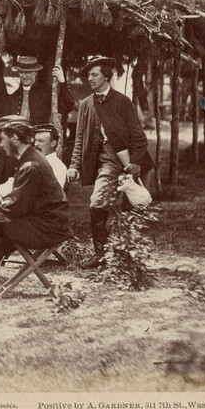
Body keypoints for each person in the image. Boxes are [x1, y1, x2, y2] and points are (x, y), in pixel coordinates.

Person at [0, 116, 72, 300]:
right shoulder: (28, 159)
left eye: (3, 139)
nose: (1, 145)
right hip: (43, 222)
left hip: (49, 228)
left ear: (15, 139)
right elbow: (18, 201)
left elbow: (18, 205)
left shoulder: (31, 165)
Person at [66, 56, 154, 268]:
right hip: (103, 163)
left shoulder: (122, 102)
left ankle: (125, 256)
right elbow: (79, 138)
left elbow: (138, 136)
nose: (90, 79)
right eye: (88, 75)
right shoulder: (86, 104)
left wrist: (135, 162)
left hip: (125, 161)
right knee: (99, 202)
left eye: (95, 74)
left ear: (107, 76)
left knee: (130, 207)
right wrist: (74, 165)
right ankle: (101, 254)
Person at [0, 123, 68, 209]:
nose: (36, 144)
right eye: (35, 140)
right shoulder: (32, 160)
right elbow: (12, 183)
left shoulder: (58, 167)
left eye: (41, 141)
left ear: (53, 143)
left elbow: (50, 200)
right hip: (13, 202)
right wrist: (0, 192)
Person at [3, 56, 76, 129]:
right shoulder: (14, 97)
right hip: (17, 138)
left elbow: (68, 103)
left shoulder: (45, 93)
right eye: (21, 72)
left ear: (35, 72)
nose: (24, 76)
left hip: (38, 138)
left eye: (28, 72)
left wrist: (62, 81)